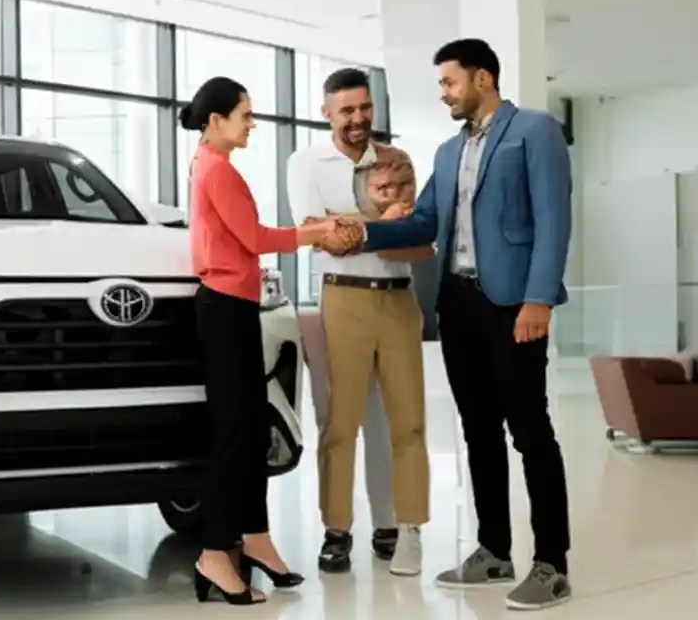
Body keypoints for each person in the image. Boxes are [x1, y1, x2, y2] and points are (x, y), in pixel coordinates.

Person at [323, 39, 574, 611]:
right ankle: (493, 550)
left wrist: (539, 299)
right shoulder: (445, 151)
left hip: (513, 304)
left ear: (482, 79)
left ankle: (552, 564)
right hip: (457, 306)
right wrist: (363, 231)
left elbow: (554, 219)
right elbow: (427, 220)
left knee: (530, 431)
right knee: (477, 431)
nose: (443, 94)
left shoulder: (534, 132)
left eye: (449, 83)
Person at [183, 76, 334, 606]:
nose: (252, 123)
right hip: (224, 311)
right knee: (234, 435)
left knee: (248, 433)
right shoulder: (217, 170)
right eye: (245, 114)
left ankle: (255, 538)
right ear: (216, 120)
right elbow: (254, 239)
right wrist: (315, 233)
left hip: (235, 307)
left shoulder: (213, 165)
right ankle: (214, 552)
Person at [285, 68, 431, 578]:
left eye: (365, 107)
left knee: (406, 421)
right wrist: (380, 226)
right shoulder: (305, 162)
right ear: (327, 113)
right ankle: (337, 530)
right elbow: (313, 234)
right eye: (346, 110)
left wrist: (349, 226)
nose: (358, 118)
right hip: (342, 301)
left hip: (398, 300)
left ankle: (404, 528)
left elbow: (420, 240)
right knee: (340, 423)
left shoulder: (396, 160)